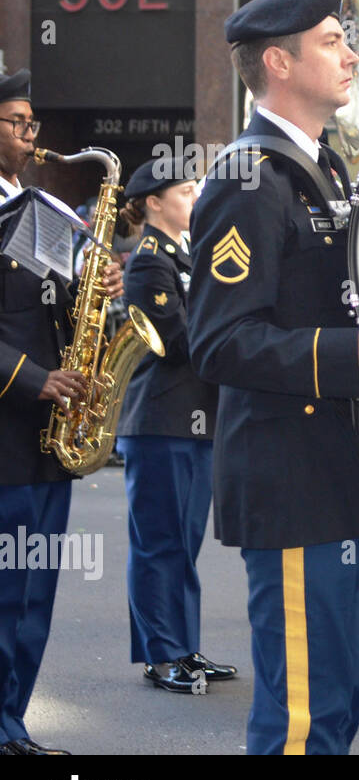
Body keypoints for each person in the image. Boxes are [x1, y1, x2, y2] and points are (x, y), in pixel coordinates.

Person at [188, 0, 359, 754]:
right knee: (301, 713)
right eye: (331, 40)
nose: (350, 53)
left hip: (345, 473)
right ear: (278, 62)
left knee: (344, 694)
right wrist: (353, 352)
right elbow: (220, 341)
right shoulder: (248, 179)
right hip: (292, 480)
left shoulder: (322, 168)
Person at [0, 68, 122, 754]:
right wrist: (33, 380)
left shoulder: (41, 210)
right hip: (9, 430)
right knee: (3, 594)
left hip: (49, 441)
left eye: (31, 124)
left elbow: (54, 310)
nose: (30, 136)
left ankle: (14, 722)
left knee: (34, 598)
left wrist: (92, 284)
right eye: (16, 122)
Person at [117, 156, 235, 694]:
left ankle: (183, 647)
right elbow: (179, 342)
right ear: (153, 203)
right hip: (161, 417)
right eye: (185, 192)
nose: (194, 198)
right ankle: (160, 655)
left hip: (191, 420)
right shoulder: (148, 261)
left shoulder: (185, 255)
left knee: (182, 543)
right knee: (159, 543)